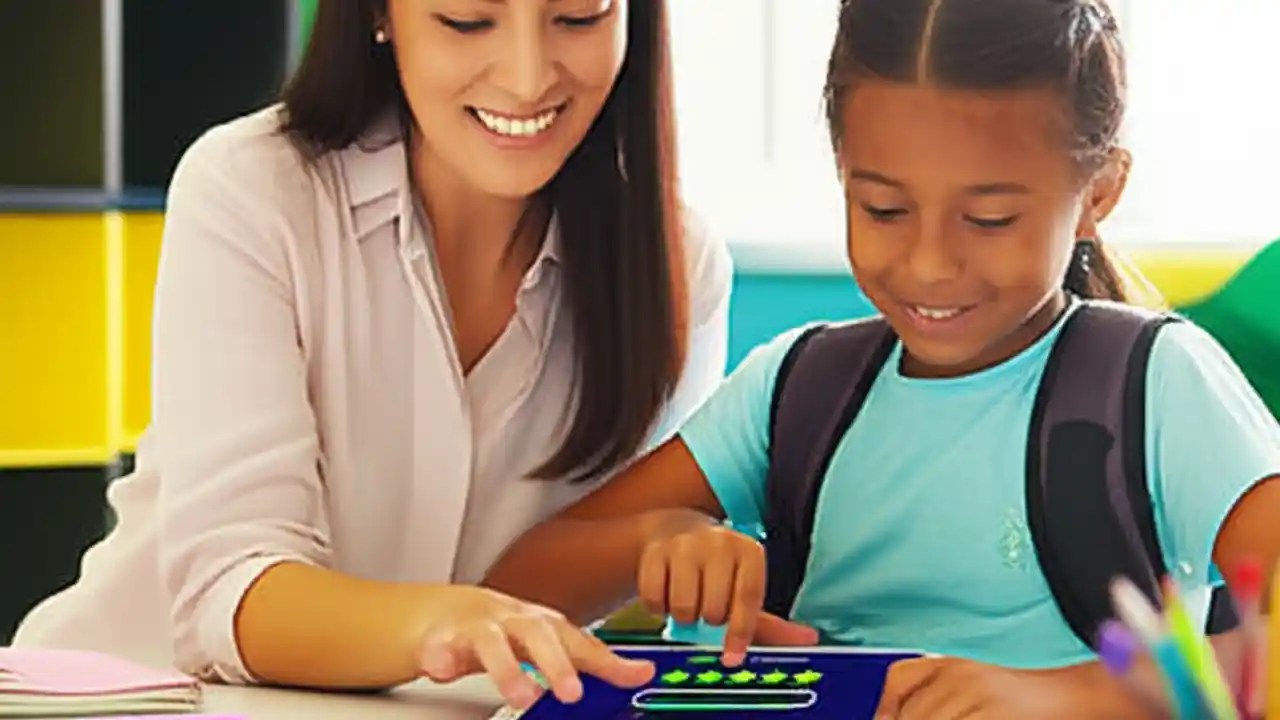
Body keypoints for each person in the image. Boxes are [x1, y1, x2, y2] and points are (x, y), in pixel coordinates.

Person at [481, 0, 1280, 716]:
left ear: (1098, 194)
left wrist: (1062, 695)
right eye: (884, 209)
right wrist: (659, 541)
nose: (930, 264)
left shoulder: (1159, 385)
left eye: (991, 218)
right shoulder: (796, 390)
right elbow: (512, 593)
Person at [13, 0, 731, 709]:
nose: (526, 77)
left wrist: (669, 558)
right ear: (379, 15)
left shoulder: (676, 264)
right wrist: (440, 619)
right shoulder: (254, 189)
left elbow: (552, 599)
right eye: (466, 22)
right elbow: (233, 590)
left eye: (578, 18)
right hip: (125, 699)